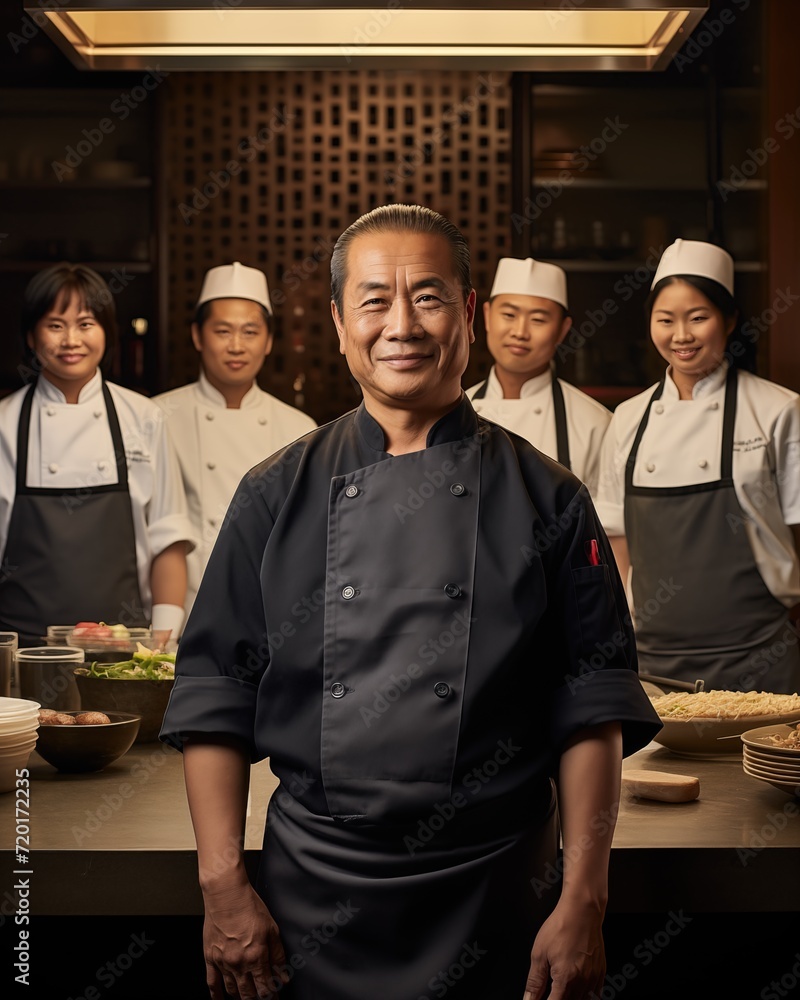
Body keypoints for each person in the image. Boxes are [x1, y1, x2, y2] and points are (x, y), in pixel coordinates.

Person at [160, 205, 661, 1000]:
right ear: (337, 323)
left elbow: (591, 709)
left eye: (428, 297)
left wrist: (584, 899)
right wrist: (222, 888)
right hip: (314, 893)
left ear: (466, 315)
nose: (402, 325)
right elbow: (215, 697)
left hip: (497, 888)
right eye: (373, 301)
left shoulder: (550, 499)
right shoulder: (274, 494)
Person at [595, 239, 800, 693]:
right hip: (652, 660)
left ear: (729, 321)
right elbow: (616, 536)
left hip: (758, 649)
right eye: (665, 320)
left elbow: (796, 525)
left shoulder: (777, 409)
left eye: (698, 317)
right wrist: (625, 624)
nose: (680, 335)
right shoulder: (628, 418)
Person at [0, 263, 194, 647]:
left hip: (123, 649)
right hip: (22, 652)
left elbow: (168, 539)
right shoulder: (4, 423)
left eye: (86, 324)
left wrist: (160, 642)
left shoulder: (144, 418)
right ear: (31, 335)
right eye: (55, 325)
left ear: (107, 332)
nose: (71, 339)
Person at [154, 262, 316, 622]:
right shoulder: (156, 417)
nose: (236, 346)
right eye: (222, 331)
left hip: (266, 614)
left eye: (250, 332)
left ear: (269, 340)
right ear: (198, 336)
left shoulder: (299, 428)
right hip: (182, 612)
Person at [465, 257, 611, 496]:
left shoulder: (595, 424)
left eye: (538, 320)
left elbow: (602, 522)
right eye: (509, 315)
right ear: (487, 315)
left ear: (562, 330)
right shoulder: (456, 412)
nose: (520, 332)